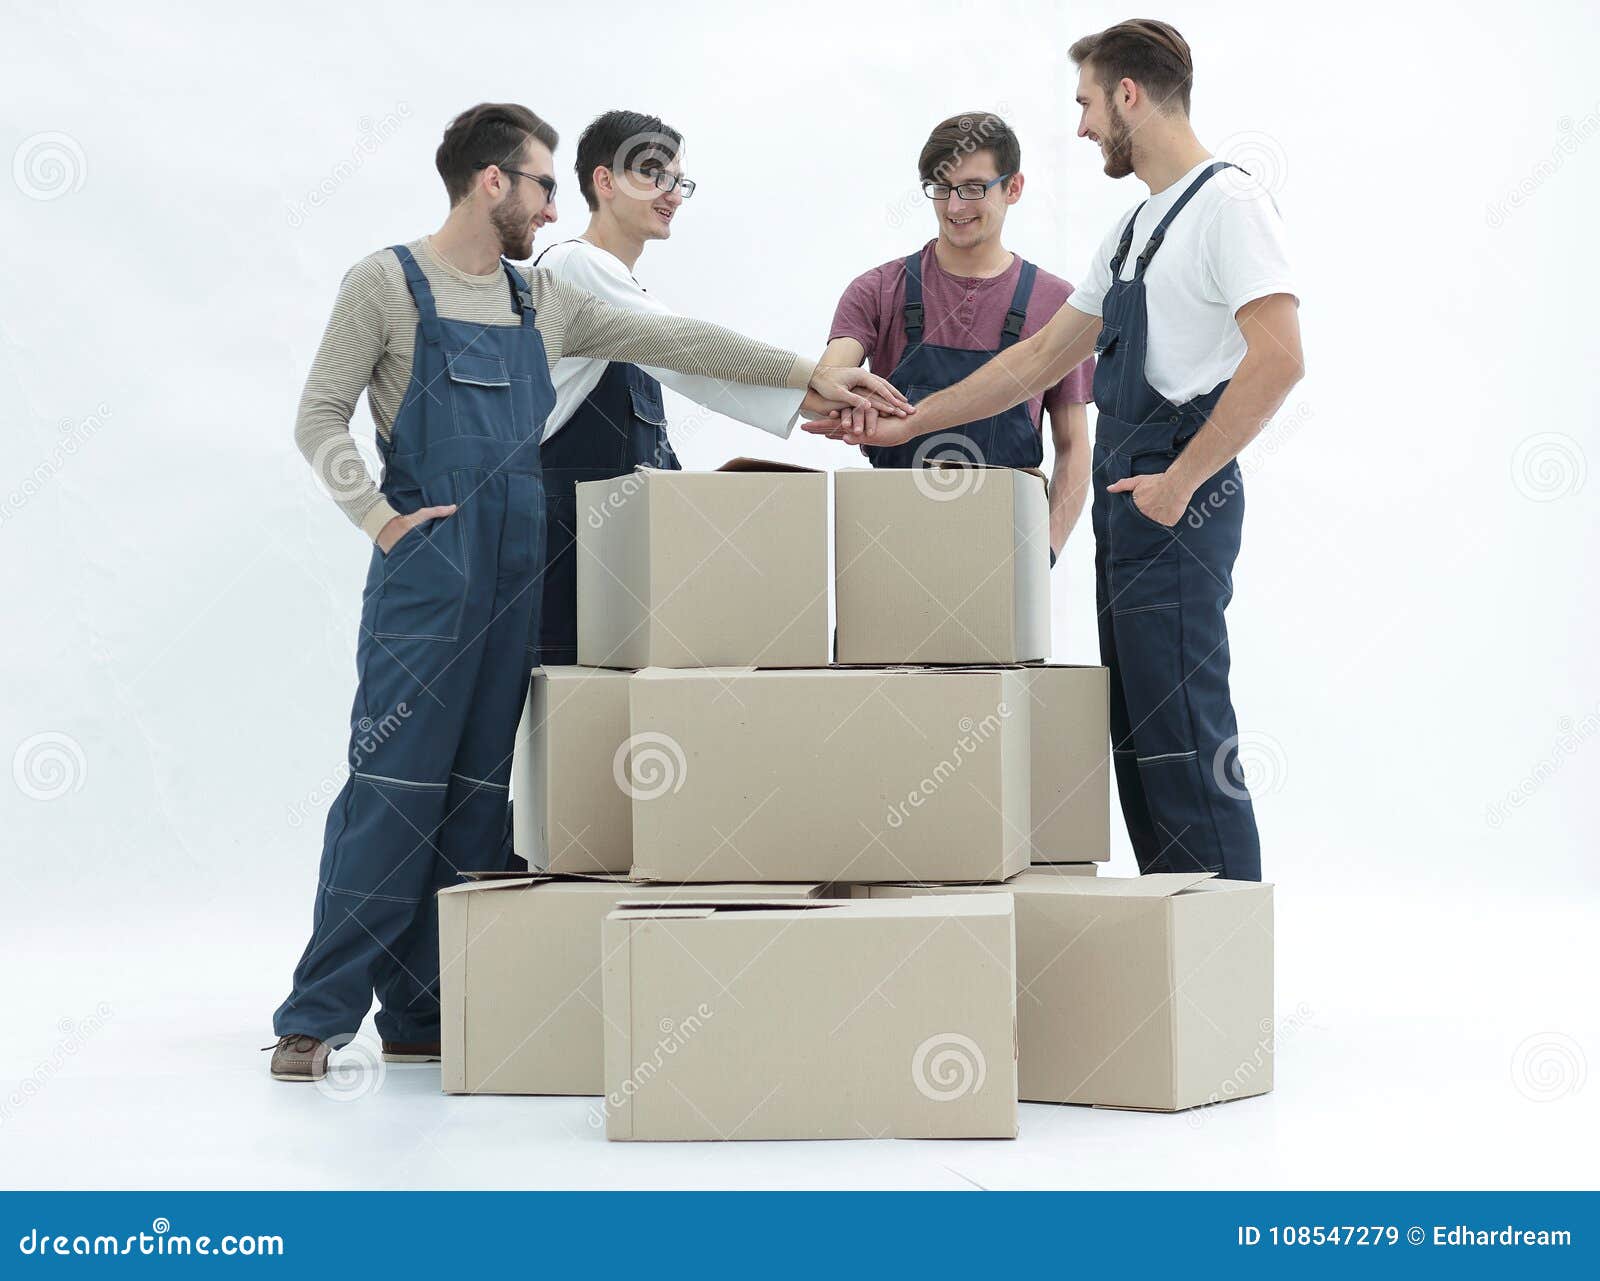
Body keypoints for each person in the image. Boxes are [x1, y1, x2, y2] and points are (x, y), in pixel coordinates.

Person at [271, 102, 909, 1082]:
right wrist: (381, 521)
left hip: (518, 567)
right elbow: (320, 413)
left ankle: (426, 1012)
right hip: (430, 575)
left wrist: (808, 380)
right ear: (492, 182)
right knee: (395, 789)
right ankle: (317, 1019)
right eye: (538, 183)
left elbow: (682, 342)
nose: (549, 202)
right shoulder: (387, 283)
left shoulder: (543, 300)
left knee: (480, 799)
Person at [807, 21, 1302, 882]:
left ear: (1129, 96)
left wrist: (1183, 482)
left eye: (1085, 103)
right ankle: (1173, 950)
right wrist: (907, 422)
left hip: (1175, 500)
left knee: (1186, 737)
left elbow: (1281, 358)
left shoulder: (1229, 205)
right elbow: (1036, 360)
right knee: (1144, 743)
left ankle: (1221, 977)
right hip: (1131, 503)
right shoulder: (1138, 228)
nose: (1080, 127)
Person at [530, 110, 804, 666]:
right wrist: (815, 385)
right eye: (653, 174)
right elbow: (688, 353)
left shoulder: (620, 285)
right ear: (603, 181)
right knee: (564, 726)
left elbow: (662, 416)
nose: (672, 193)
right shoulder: (573, 265)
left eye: (679, 181)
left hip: (609, 558)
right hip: (560, 556)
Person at [818, 112, 1095, 561]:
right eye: (941, 188)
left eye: (972, 188)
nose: (954, 207)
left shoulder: (1058, 306)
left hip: (1004, 549)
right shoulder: (878, 290)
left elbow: (1074, 447)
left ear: (1014, 187)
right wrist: (828, 387)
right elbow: (833, 375)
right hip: (888, 546)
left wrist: (1045, 549)